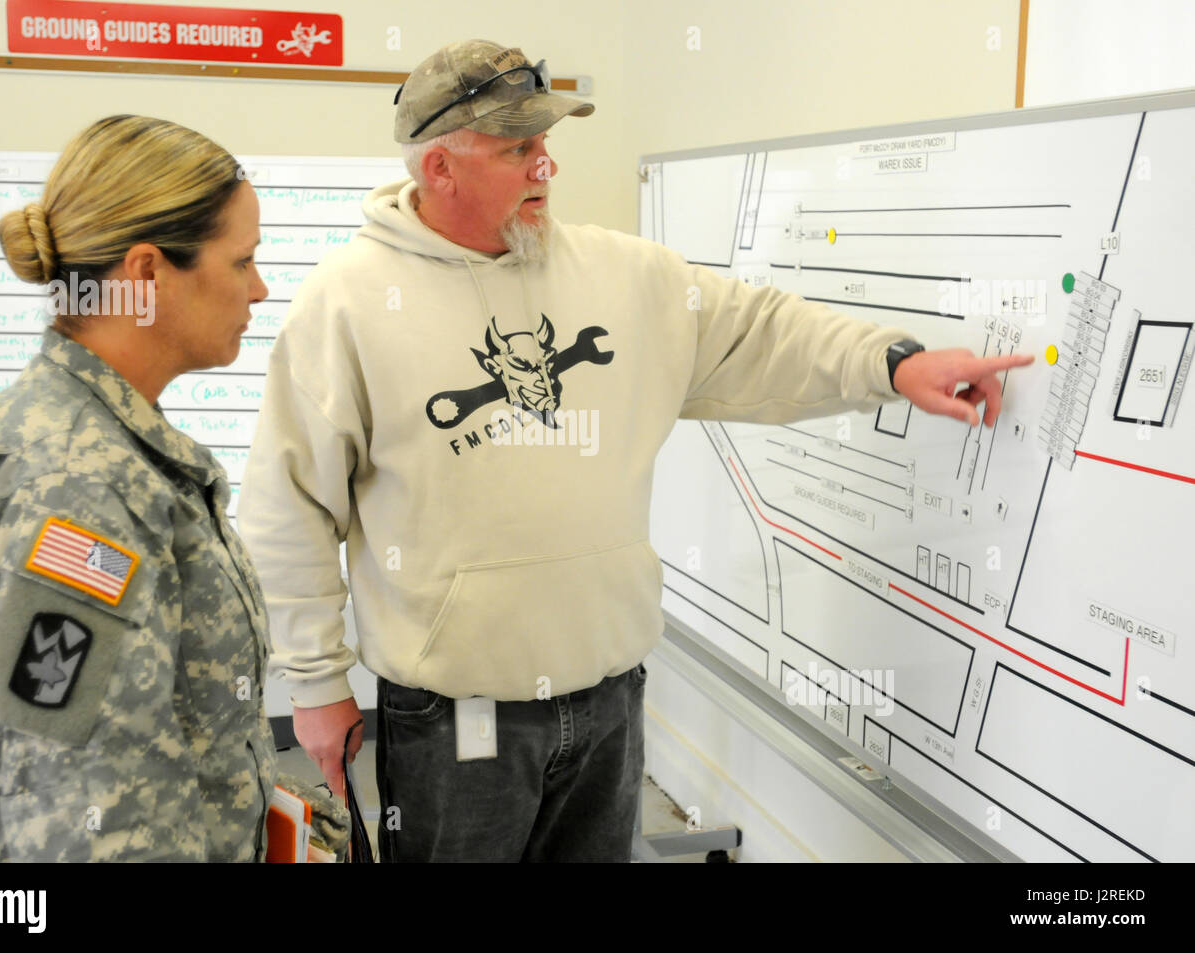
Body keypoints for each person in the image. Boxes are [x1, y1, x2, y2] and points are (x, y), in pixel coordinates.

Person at [237, 39, 1033, 862]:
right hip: (454, 723)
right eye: (518, 149)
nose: (545, 167)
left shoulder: (625, 277)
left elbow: (763, 331)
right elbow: (289, 504)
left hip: (609, 702)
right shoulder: (350, 302)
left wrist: (895, 365)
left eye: (546, 144)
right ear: (440, 167)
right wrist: (316, 682)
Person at [0, 115, 277, 861]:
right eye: (242, 262)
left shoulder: (104, 445)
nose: (258, 290)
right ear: (145, 274)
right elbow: (93, 809)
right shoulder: (75, 486)